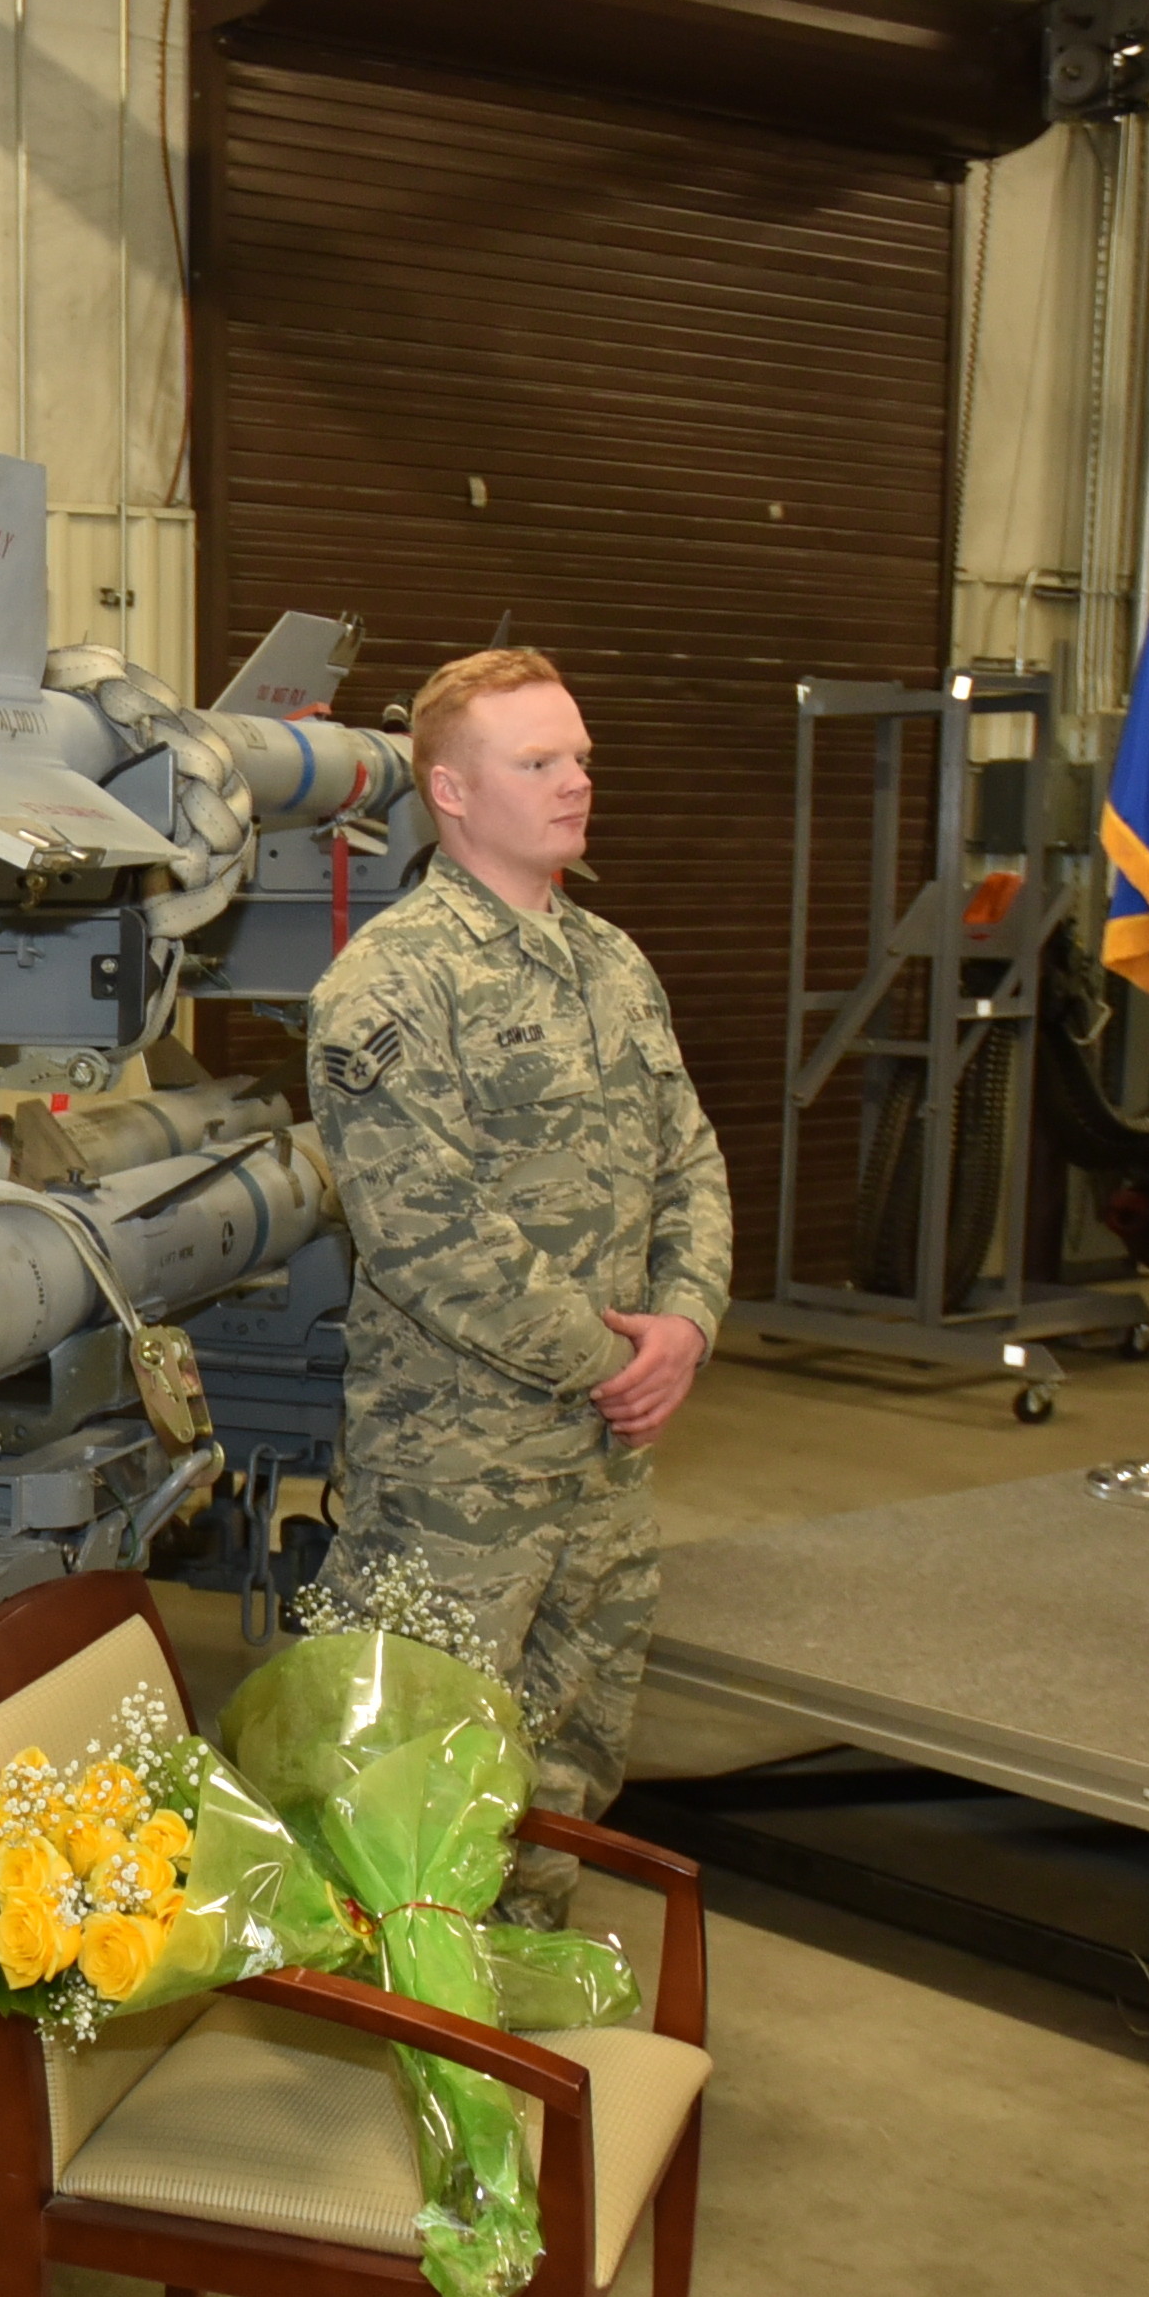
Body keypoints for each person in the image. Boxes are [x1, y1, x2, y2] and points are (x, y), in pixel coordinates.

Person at [302, 647, 731, 1927]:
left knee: (563, 1777)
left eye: (580, 757)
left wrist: (690, 1320)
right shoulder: (390, 984)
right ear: (449, 789)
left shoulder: (611, 960)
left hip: (601, 1472)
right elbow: (432, 1239)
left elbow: (690, 1159)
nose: (574, 783)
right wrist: (627, 1363)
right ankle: (413, 2063)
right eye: (537, 762)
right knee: (415, 1801)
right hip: (458, 1482)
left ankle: (522, 2014)